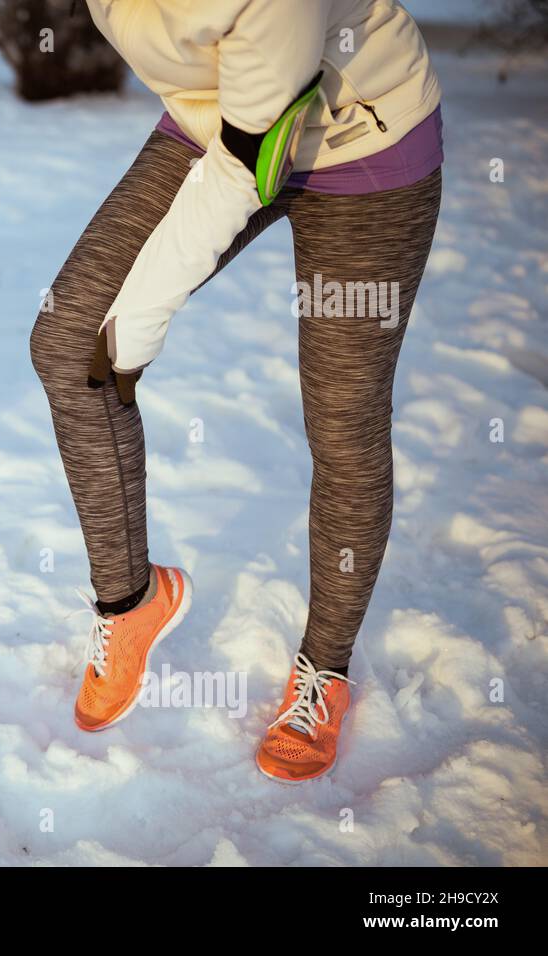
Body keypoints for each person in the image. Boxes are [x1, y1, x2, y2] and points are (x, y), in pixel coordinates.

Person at [31, 0, 443, 782]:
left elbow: (251, 158)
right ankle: (130, 602)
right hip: (218, 121)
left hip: (363, 146)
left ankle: (324, 668)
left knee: (343, 419)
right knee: (67, 348)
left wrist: (141, 315)